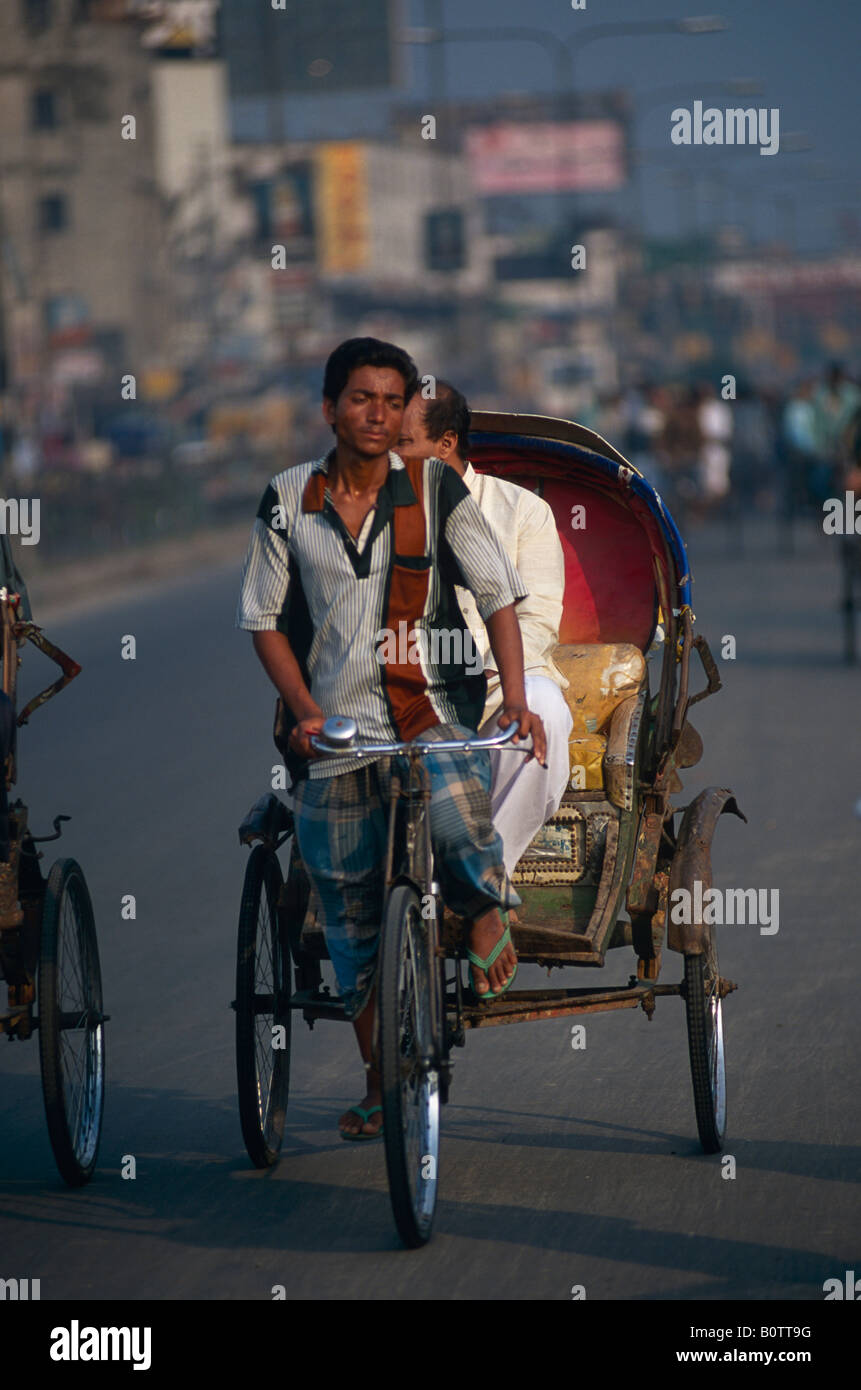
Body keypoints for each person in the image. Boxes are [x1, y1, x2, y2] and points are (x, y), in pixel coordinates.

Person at [236, 338, 546, 1139]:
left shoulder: (436, 489)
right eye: (360, 398)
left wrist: (515, 698)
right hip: (335, 734)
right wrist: (303, 712)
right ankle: (381, 1078)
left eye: (392, 400)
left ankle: (481, 908)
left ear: (408, 410)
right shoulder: (286, 498)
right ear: (330, 408)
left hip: (427, 711)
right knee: (348, 923)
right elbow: (264, 622)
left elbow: (499, 594)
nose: (377, 414)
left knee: (455, 817)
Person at [398, 381, 572, 878]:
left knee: (544, 717)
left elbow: (535, 620)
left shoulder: (522, 512)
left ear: (446, 445)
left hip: (500, 687)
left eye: (402, 444)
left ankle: (485, 879)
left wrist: (488, 674)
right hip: (411, 690)